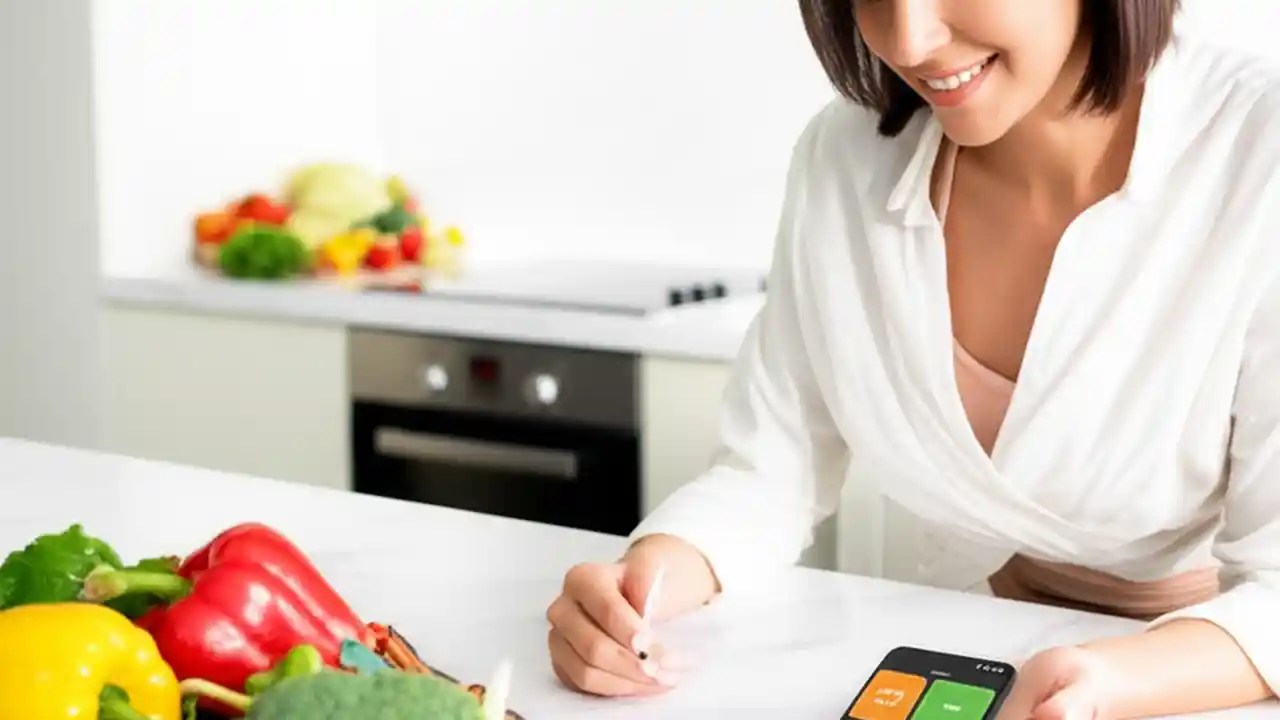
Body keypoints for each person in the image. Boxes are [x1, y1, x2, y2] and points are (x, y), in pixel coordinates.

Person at [545, 0, 1280, 716]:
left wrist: (1106, 683)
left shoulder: (1258, 153)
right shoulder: (845, 157)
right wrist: (640, 590)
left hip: (1212, 677)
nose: (910, 38)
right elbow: (769, 474)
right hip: (962, 643)